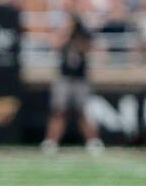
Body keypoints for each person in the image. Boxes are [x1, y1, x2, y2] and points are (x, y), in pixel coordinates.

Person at [41, 16, 103, 154]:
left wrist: (77, 37)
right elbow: (55, 44)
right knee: (58, 111)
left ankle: (93, 141)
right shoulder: (64, 34)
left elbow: (88, 47)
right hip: (64, 77)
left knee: (83, 111)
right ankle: (51, 141)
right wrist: (66, 32)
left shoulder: (83, 34)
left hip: (80, 78)